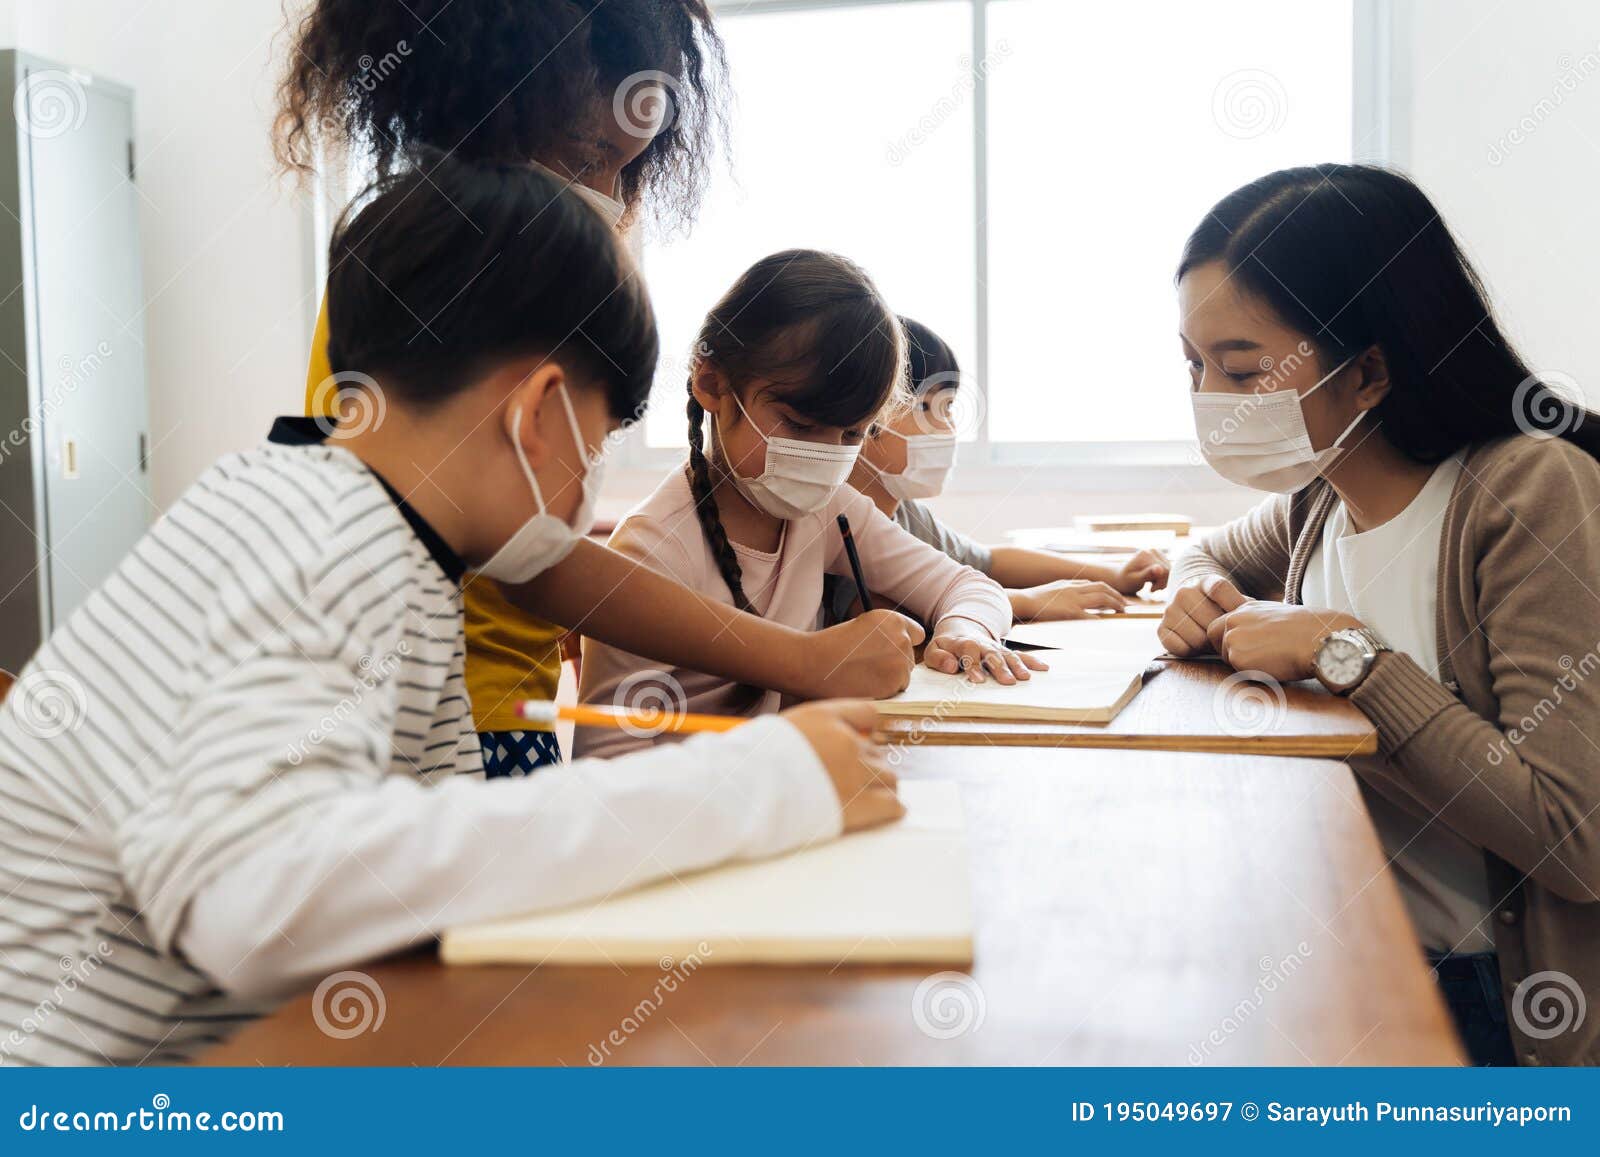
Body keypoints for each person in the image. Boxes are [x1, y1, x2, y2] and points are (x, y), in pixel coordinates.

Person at [0, 159, 901, 1066]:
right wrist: (753, 785)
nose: (593, 474)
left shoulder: (354, 521)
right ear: (539, 411)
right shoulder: (330, 541)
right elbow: (255, 899)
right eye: (603, 434)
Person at [276, 0, 916, 774]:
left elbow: (527, 541)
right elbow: (541, 561)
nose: (611, 196)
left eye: (626, 165)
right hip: (461, 729)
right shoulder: (454, 278)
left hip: (489, 710)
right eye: (586, 157)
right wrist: (807, 660)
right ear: (491, 112)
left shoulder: (420, 248)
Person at [1162, 163, 1600, 1066]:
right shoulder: (1319, 499)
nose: (1209, 399)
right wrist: (1191, 590)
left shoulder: (1526, 491)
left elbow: (1573, 837)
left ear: (1367, 371)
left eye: (1240, 369)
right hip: (1351, 945)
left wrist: (1345, 653)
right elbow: (1203, 553)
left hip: (1492, 1006)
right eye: (1193, 365)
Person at [578, 253, 1040, 759]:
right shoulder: (654, 547)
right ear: (712, 385)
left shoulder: (829, 511)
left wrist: (965, 628)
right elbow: (604, 765)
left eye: (851, 434)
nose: (824, 455)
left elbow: (966, 584)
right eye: (799, 426)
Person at [833, 316, 1169, 624]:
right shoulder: (841, 518)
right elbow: (889, 614)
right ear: (865, 416)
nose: (946, 427)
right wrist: (1025, 601)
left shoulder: (907, 514)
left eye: (948, 407)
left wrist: (1114, 574)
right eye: (923, 406)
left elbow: (989, 561)